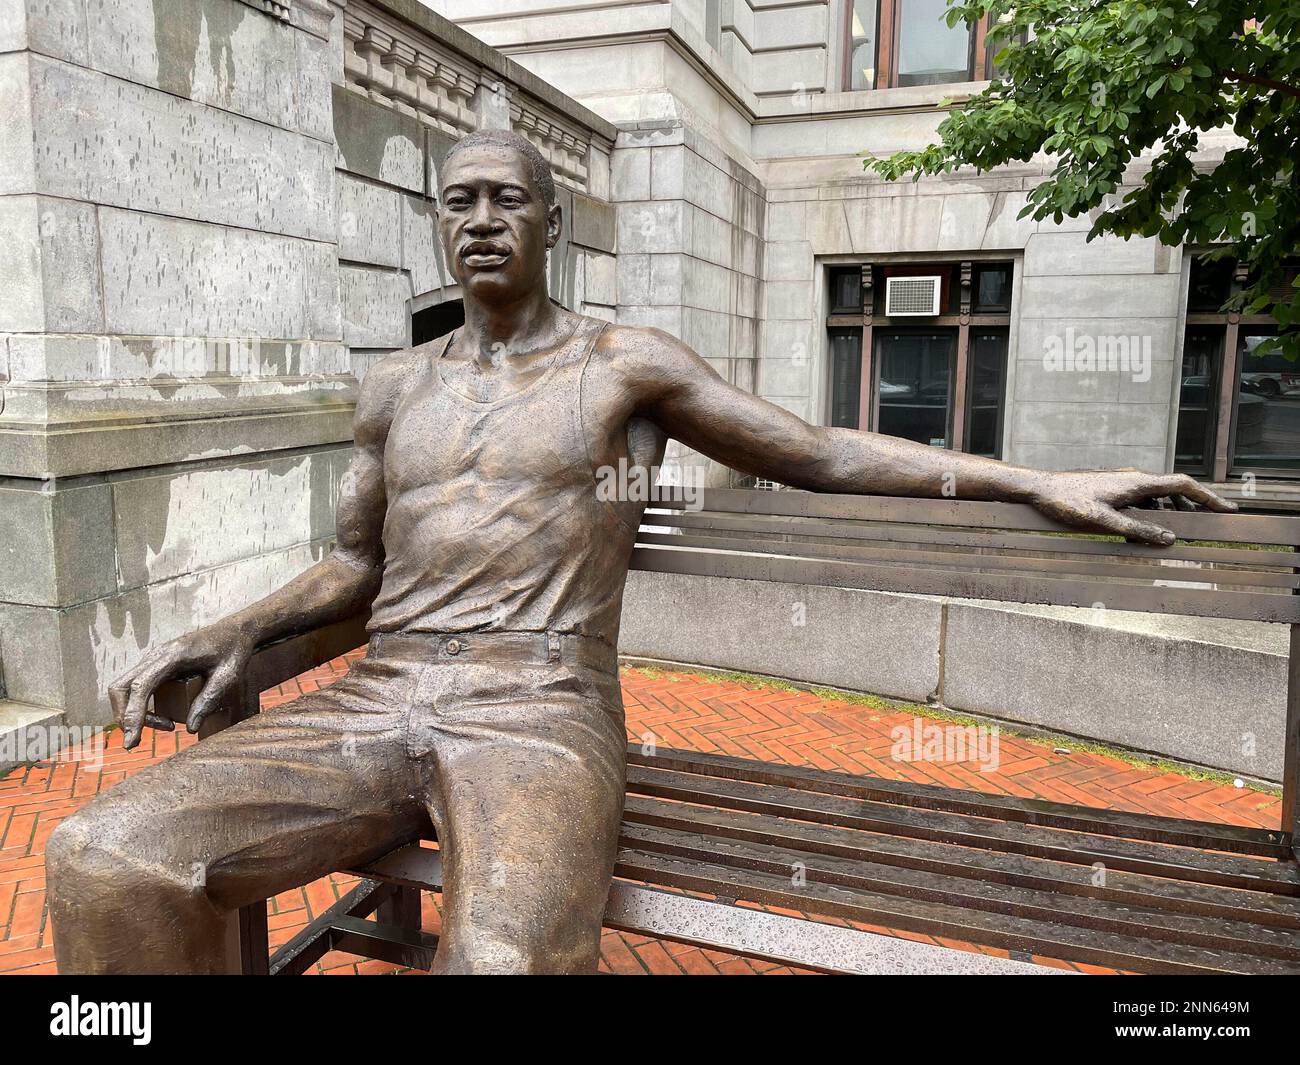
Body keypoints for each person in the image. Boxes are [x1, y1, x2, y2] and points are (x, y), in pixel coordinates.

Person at [45, 130, 1233, 974]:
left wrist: (1035, 479)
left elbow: (813, 452)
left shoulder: (626, 364)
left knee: (509, 960)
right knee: (105, 854)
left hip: (538, 706)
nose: (481, 221)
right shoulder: (395, 388)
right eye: (458, 202)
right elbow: (355, 569)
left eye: (507, 200)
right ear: (437, 227)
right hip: (381, 691)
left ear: (550, 222)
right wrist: (233, 628)